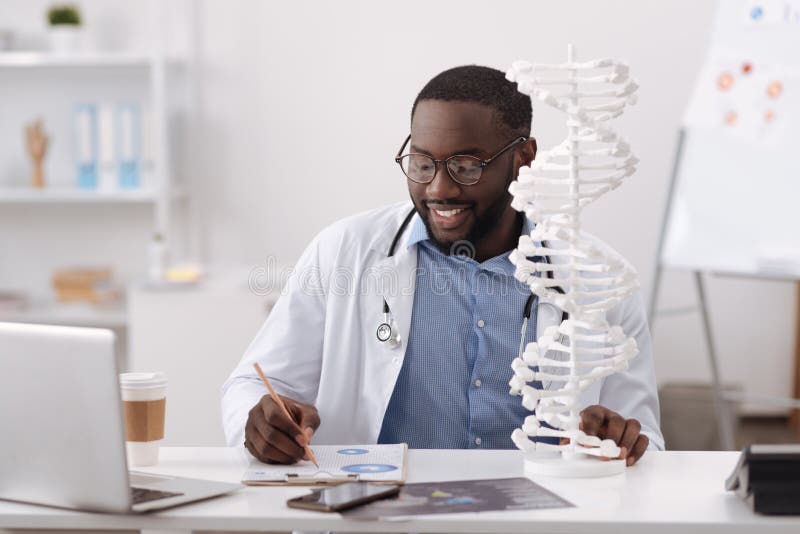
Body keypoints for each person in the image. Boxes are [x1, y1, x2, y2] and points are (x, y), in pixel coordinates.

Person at [222, 65, 663, 466]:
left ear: (524, 157)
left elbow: (643, 442)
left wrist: (617, 439)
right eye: (422, 163)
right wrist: (259, 421)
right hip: (379, 517)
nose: (439, 188)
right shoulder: (344, 251)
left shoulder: (598, 280)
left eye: (466, 166)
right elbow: (253, 384)